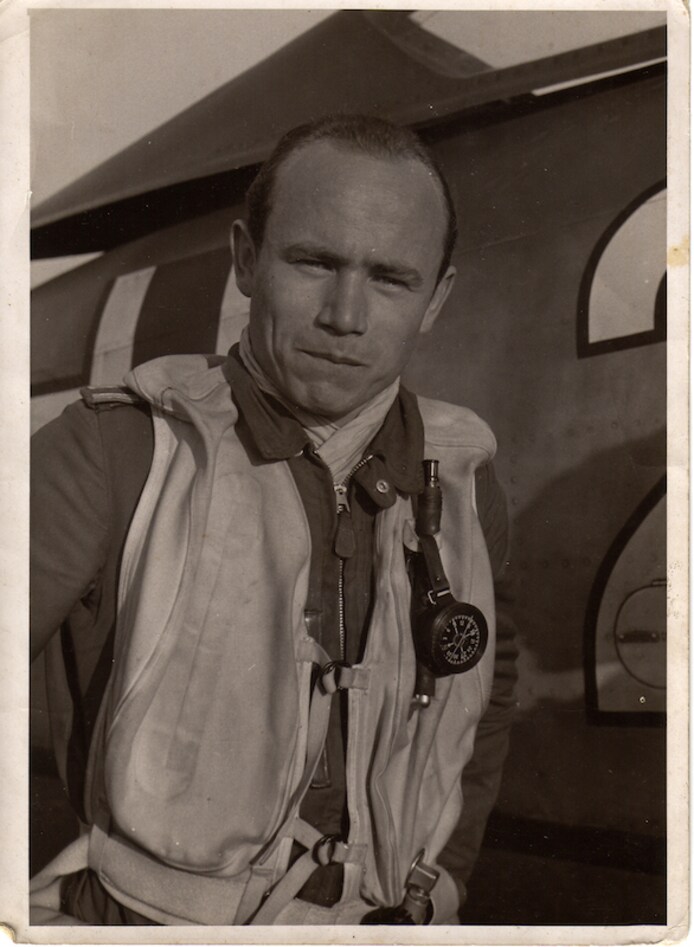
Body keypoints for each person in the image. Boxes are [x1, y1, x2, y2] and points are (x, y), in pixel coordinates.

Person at [30, 114, 518, 926]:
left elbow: (483, 694)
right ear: (246, 260)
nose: (346, 315)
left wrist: (446, 879)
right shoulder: (118, 448)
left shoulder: (463, 478)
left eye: (391, 278)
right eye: (314, 261)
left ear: (437, 299)